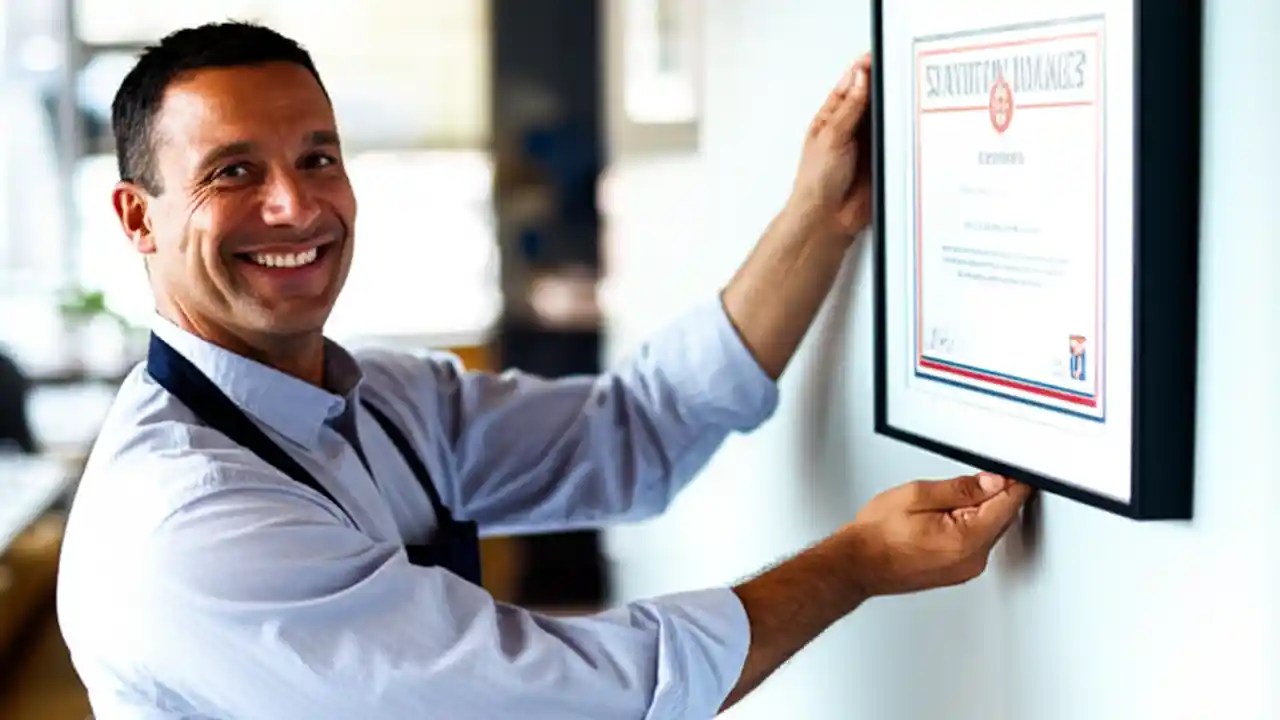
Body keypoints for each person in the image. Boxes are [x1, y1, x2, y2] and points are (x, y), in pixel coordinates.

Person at [57, 22, 1032, 719]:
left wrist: (818, 218)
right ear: (138, 217)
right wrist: (855, 563)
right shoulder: (183, 523)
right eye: (232, 172)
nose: (296, 206)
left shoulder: (382, 400)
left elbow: (636, 430)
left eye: (318, 158)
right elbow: (574, 693)